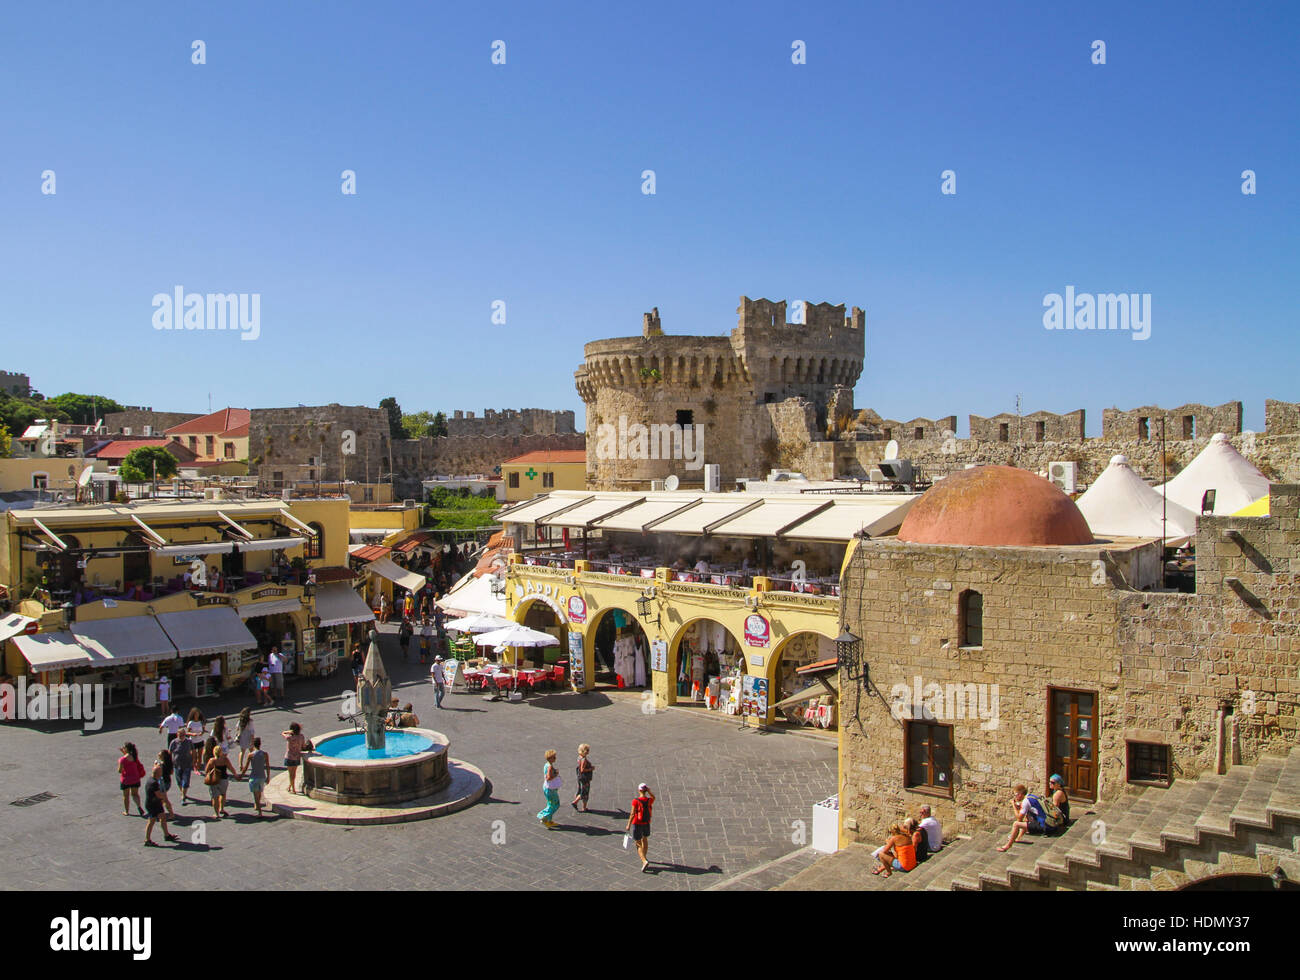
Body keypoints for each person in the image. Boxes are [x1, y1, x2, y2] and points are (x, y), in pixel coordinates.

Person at [997, 784, 1047, 851]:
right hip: (1046, 822)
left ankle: (1007, 846)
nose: (1015, 797)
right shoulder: (1030, 796)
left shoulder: (1025, 802)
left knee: (1016, 824)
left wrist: (1014, 806)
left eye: (1015, 795)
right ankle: (1018, 837)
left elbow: (1019, 818)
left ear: (1020, 794)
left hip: (1043, 826)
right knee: (1027, 816)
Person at [142, 762, 179, 846]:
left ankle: (166, 835)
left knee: (163, 817)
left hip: (154, 803)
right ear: (158, 774)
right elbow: (158, 794)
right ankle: (147, 840)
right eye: (161, 772)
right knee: (151, 821)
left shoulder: (150, 779)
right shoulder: (154, 783)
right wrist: (164, 797)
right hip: (153, 804)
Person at [625, 783, 656, 872]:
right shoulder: (649, 800)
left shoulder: (635, 801)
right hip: (646, 823)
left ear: (639, 790)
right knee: (645, 839)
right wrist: (650, 792)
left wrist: (628, 825)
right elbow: (654, 798)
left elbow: (632, 814)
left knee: (638, 843)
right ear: (646, 790)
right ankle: (644, 856)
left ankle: (644, 860)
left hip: (637, 823)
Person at [202, 737, 234, 819]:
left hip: (214, 780)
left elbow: (206, 770)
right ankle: (222, 809)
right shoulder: (225, 759)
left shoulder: (212, 761)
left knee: (214, 797)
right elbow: (231, 768)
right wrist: (236, 775)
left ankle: (216, 814)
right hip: (224, 779)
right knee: (223, 794)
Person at [537, 749, 562, 828]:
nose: (555, 758)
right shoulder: (550, 766)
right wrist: (556, 774)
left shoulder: (546, 765)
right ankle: (544, 816)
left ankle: (549, 821)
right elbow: (549, 777)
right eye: (554, 757)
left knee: (550, 804)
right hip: (550, 789)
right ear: (550, 758)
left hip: (548, 788)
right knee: (556, 805)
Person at [118, 743, 146, 817]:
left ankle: (127, 811)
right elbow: (128, 757)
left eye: (124, 747)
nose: (123, 748)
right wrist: (124, 753)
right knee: (135, 794)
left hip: (126, 779)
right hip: (135, 778)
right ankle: (139, 806)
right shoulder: (134, 756)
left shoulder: (122, 759)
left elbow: (120, 771)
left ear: (127, 749)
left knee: (126, 796)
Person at [282, 722, 309, 794]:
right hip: (297, 757)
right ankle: (290, 786)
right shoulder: (301, 736)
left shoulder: (289, 737)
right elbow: (303, 746)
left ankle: (293, 789)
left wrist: (289, 731)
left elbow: (283, 733)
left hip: (289, 757)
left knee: (291, 774)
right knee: (294, 773)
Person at [169, 729, 194, 804]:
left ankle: (183, 796)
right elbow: (169, 752)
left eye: (183, 735)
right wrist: (170, 763)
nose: (181, 736)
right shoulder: (174, 742)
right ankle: (182, 791)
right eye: (180, 735)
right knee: (179, 781)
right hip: (177, 765)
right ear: (177, 734)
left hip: (187, 764)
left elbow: (193, 751)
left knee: (185, 781)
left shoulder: (189, 742)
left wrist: (194, 760)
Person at [247, 737, 270, 817]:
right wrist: (268, 777)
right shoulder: (265, 754)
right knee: (259, 792)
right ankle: (257, 806)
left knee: (255, 794)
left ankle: (260, 812)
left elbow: (246, 767)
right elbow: (267, 766)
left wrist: (240, 776)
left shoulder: (250, 755)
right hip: (262, 776)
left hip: (254, 776)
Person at [571, 743, 594, 812]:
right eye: (587, 750)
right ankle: (575, 802)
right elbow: (582, 769)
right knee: (585, 792)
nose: (588, 751)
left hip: (580, 777)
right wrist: (590, 769)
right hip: (585, 778)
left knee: (582, 790)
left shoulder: (579, 757)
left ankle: (584, 807)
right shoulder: (583, 759)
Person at [235, 707, 256, 777]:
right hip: (248, 737)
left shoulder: (240, 721)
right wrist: (253, 740)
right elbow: (252, 732)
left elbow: (237, 728)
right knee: (251, 751)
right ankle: (253, 764)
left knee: (242, 751)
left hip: (242, 737)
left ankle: (240, 765)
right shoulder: (250, 721)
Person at [156, 749, 176, 818]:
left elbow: (156, 774)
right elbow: (171, 772)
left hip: (162, 783)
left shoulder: (161, 765)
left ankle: (171, 814)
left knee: (164, 799)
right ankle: (159, 812)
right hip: (167, 782)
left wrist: (156, 766)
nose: (158, 754)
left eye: (160, 754)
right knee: (160, 799)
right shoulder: (169, 763)